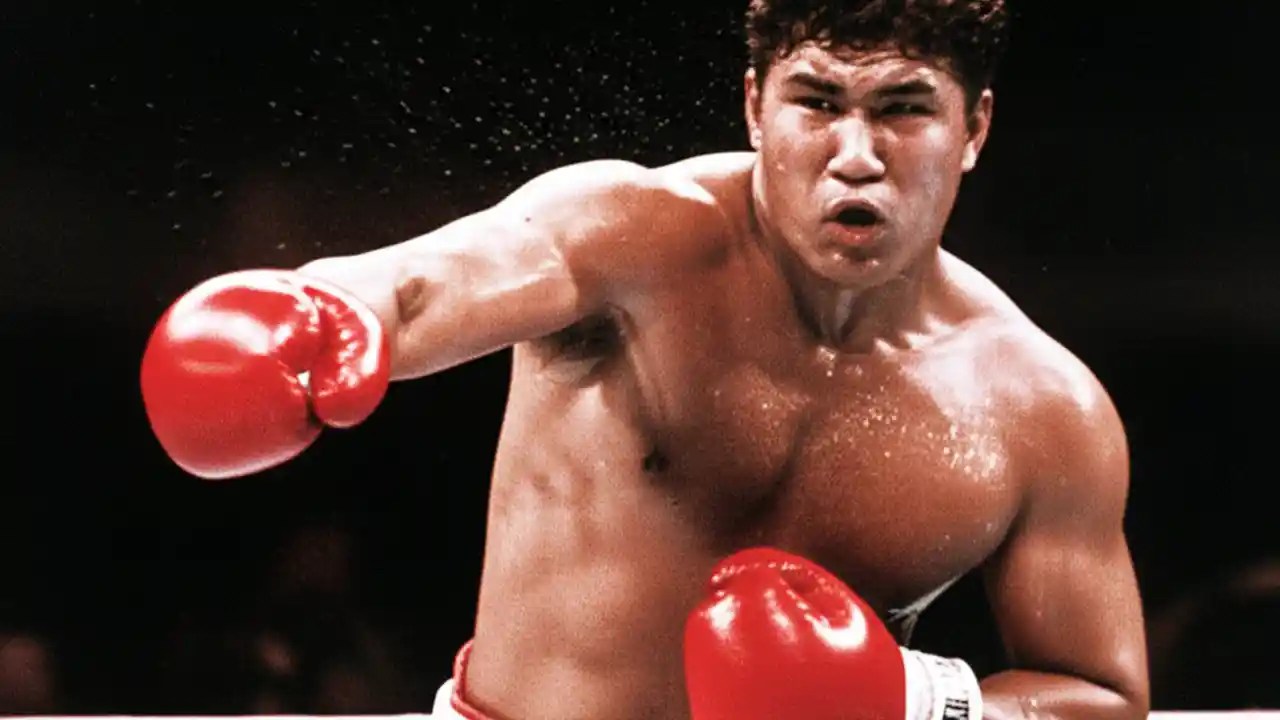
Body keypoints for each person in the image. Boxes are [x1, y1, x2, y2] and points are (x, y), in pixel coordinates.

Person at [140, 1, 1151, 718]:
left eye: (901, 107)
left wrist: (909, 700)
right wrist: (329, 310)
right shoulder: (629, 236)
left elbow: (1100, 693)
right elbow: (430, 280)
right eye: (815, 101)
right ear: (755, 106)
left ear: (970, 128)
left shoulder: (1038, 410)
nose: (854, 152)